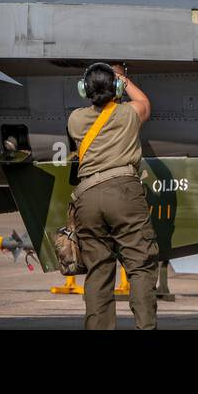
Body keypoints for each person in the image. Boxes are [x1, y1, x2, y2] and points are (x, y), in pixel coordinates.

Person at [66, 62, 159, 329]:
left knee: (98, 271)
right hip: (124, 193)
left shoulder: (75, 119)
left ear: (84, 90)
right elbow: (144, 103)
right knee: (140, 266)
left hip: (87, 197)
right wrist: (123, 79)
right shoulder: (129, 114)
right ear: (117, 87)